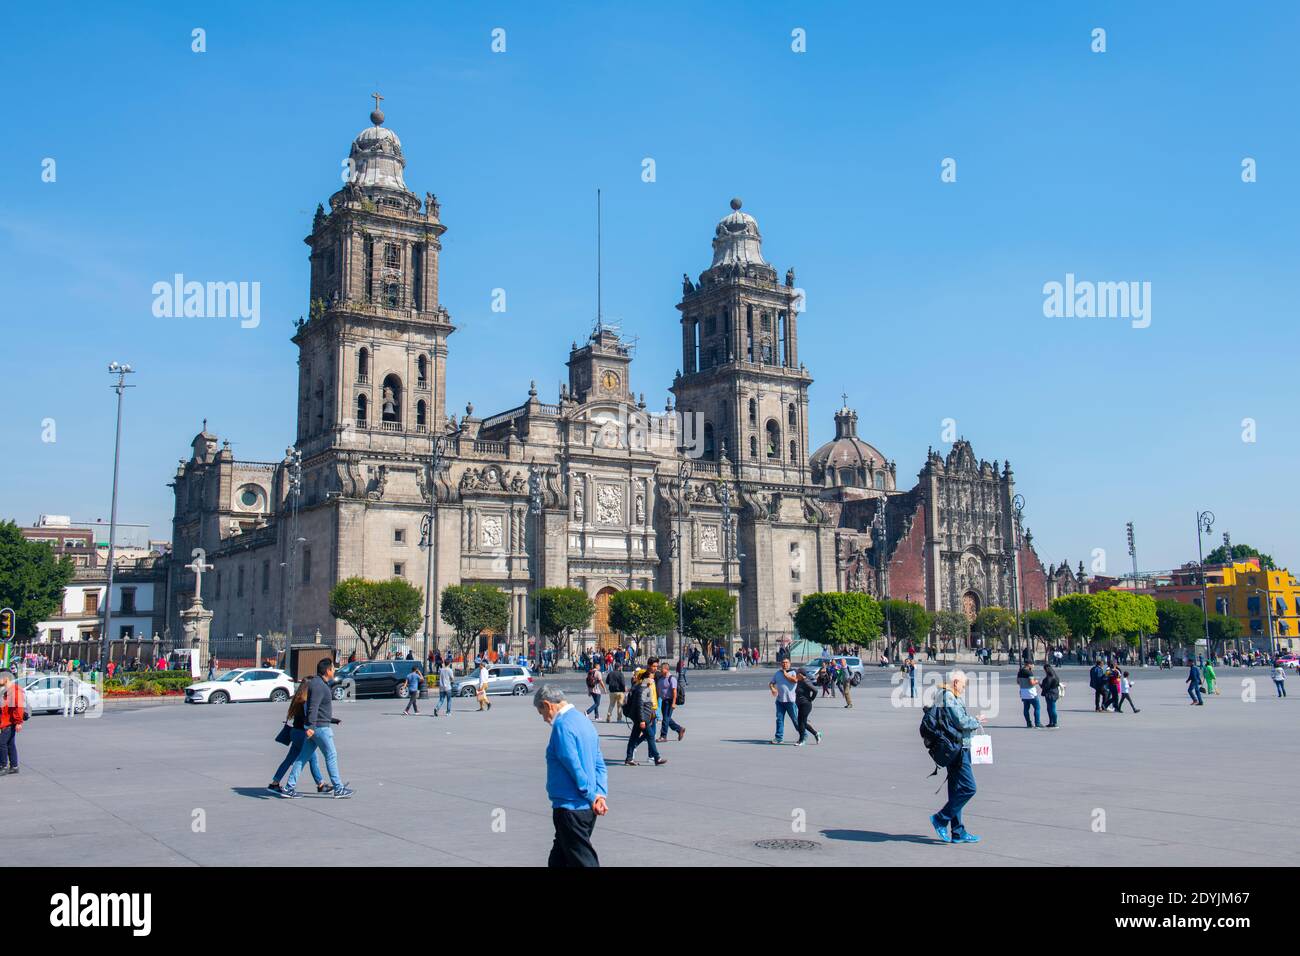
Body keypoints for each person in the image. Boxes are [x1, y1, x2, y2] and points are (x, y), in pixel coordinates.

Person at [535, 685, 608, 867]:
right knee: (559, 860)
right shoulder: (584, 721)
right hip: (585, 807)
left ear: (547, 704)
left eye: (541, 712)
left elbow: (573, 765)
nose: (544, 719)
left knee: (583, 861)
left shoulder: (562, 725)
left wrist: (592, 796)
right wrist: (600, 794)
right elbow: (599, 762)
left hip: (571, 806)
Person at [929, 671, 987, 844]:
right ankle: (941, 818)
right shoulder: (948, 697)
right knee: (969, 787)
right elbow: (960, 721)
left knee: (955, 790)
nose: (964, 689)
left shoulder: (944, 695)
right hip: (957, 747)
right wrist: (976, 720)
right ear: (955, 682)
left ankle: (957, 831)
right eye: (963, 685)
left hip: (952, 746)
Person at [282, 659, 352, 799]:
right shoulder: (320, 686)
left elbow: (317, 708)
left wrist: (328, 721)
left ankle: (289, 787)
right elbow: (313, 707)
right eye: (333, 668)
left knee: (302, 758)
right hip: (320, 728)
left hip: (316, 726)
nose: (334, 670)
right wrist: (311, 726)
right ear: (327, 670)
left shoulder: (316, 683)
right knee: (331, 756)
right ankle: (338, 788)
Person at [269, 680, 327, 793]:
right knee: (313, 759)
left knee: (289, 759)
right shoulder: (306, 702)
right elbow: (310, 717)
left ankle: (274, 783)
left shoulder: (297, 699)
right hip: (302, 734)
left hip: (294, 732)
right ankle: (320, 784)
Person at [623, 669, 666, 766]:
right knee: (650, 735)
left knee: (634, 737)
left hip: (640, 717)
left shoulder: (641, 687)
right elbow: (640, 705)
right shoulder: (643, 689)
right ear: (646, 679)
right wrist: (642, 720)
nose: (652, 680)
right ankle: (657, 758)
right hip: (641, 718)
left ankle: (629, 759)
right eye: (651, 678)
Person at [769, 658, 800, 744]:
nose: (784, 664)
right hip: (780, 701)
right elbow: (771, 683)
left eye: (786, 663)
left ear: (790, 664)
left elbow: (795, 680)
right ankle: (779, 737)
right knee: (779, 719)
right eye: (783, 663)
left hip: (790, 701)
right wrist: (773, 689)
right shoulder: (778, 673)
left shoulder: (793, 672)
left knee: (796, 720)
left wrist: (786, 674)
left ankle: (803, 735)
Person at [0, 670, 24, 776]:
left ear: (6, 678)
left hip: (9, 722)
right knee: (10, 744)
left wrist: (18, 722)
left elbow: (18, 707)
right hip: (7, 720)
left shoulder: (13, 690)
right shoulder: (7, 690)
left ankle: (3, 766)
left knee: (2, 744)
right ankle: (14, 766)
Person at [656, 661, 685, 742]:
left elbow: (674, 692)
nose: (660, 670)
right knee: (667, 718)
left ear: (666, 669)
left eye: (661, 669)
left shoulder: (672, 679)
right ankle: (680, 729)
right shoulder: (661, 679)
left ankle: (663, 736)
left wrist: (673, 703)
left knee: (665, 719)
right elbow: (658, 691)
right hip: (663, 701)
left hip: (670, 701)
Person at [793, 667, 822, 745]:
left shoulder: (806, 681)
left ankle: (802, 740)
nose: (795, 674)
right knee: (803, 723)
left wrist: (811, 699)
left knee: (801, 723)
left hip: (806, 704)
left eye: (797, 673)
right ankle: (816, 734)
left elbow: (815, 690)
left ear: (801, 675)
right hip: (800, 704)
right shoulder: (799, 681)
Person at [1017, 662, 1042, 728]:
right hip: (1031, 692)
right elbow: (1032, 683)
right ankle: (1037, 723)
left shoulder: (1020, 672)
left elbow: (1018, 682)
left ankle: (1028, 723)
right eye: (1032, 664)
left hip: (1023, 692)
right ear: (1029, 664)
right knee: (1037, 707)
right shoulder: (1029, 672)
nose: (1033, 666)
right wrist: (1036, 681)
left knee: (1026, 708)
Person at [1040, 662, 1061, 727]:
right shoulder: (1055, 676)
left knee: (1051, 708)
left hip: (1050, 693)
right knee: (1052, 708)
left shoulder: (1049, 677)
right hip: (1055, 692)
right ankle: (1053, 722)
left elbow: (1046, 686)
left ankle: (1053, 722)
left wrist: (1041, 685)